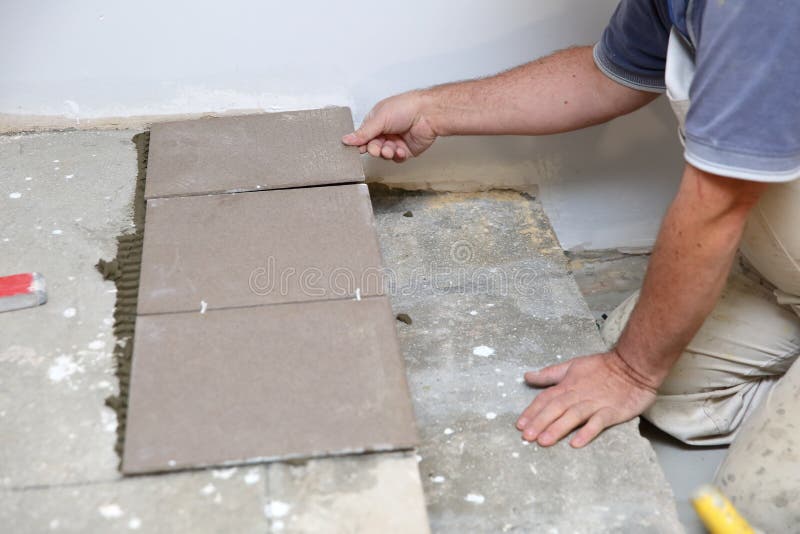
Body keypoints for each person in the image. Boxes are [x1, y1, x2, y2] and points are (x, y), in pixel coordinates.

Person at [342, 1, 799, 529]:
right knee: (671, 395)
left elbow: (717, 204)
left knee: (761, 509)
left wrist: (630, 372)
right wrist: (431, 108)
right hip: (782, 278)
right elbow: (606, 76)